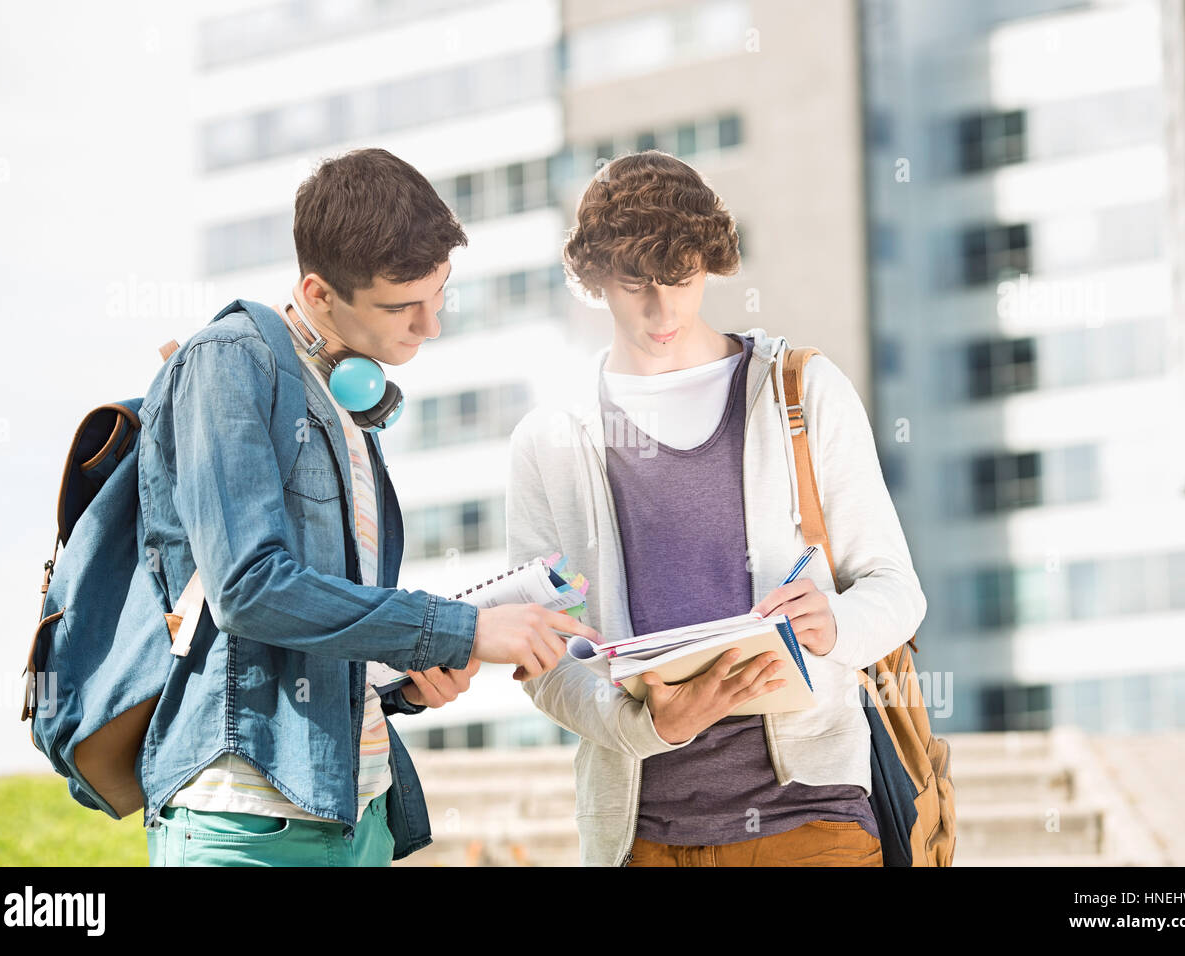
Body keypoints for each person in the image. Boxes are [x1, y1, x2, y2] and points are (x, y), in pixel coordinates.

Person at [138, 147, 598, 866]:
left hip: (363, 813)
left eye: (439, 294)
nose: (429, 326)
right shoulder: (227, 363)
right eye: (401, 306)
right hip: (252, 823)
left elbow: (327, 622)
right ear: (319, 294)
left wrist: (412, 677)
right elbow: (249, 590)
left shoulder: (349, 400)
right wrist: (461, 627)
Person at [504, 151, 928, 867]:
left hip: (811, 823)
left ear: (712, 260)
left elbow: (896, 589)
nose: (663, 309)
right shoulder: (549, 440)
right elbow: (546, 658)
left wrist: (835, 623)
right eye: (636, 283)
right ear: (597, 275)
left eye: (683, 278)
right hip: (639, 840)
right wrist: (649, 726)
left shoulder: (802, 392)